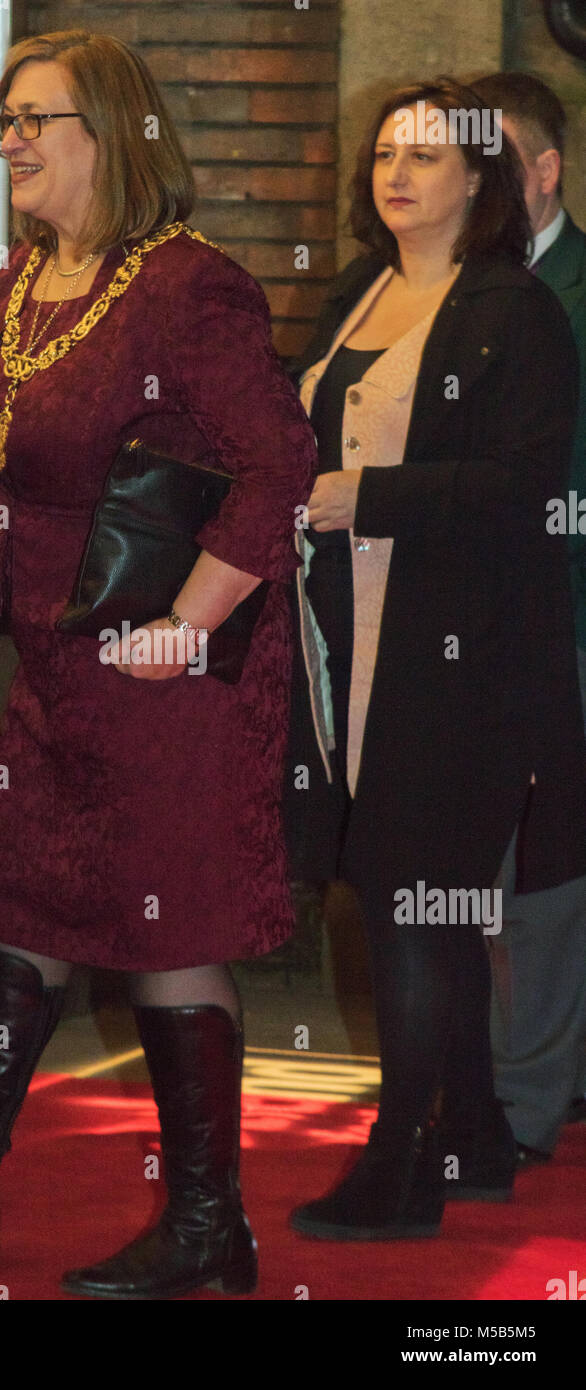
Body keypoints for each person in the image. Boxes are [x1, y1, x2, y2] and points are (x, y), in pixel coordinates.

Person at [0, 29, 316, 1300]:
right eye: (4, 122)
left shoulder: (186, 285)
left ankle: (209, 1226)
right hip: (51, 662)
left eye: (38, 118)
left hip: (162, 675)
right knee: (27, 905)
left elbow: (279, 465)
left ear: (114, 133)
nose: (14, 143)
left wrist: (190, 626)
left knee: (165, 924)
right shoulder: (26, 282)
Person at [282, 76, 586, 1241]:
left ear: (481, 178)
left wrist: (368, 496)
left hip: (458, 662)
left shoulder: (515, 308)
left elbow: (522, 488)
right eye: (385, 153)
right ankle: (467, 1136)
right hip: (348, 645)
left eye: (426, 153)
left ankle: (398, 1164)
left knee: (415, 901)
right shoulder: (361, 292)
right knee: (418, 903)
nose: (396, 171)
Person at [469, 71, 586, 1165]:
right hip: (474, 629)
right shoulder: (441, 291)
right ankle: (499, 1085)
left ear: (542, 172)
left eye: (489, 156)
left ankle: (532, 1093)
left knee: (548, 878)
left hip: (566, 619)